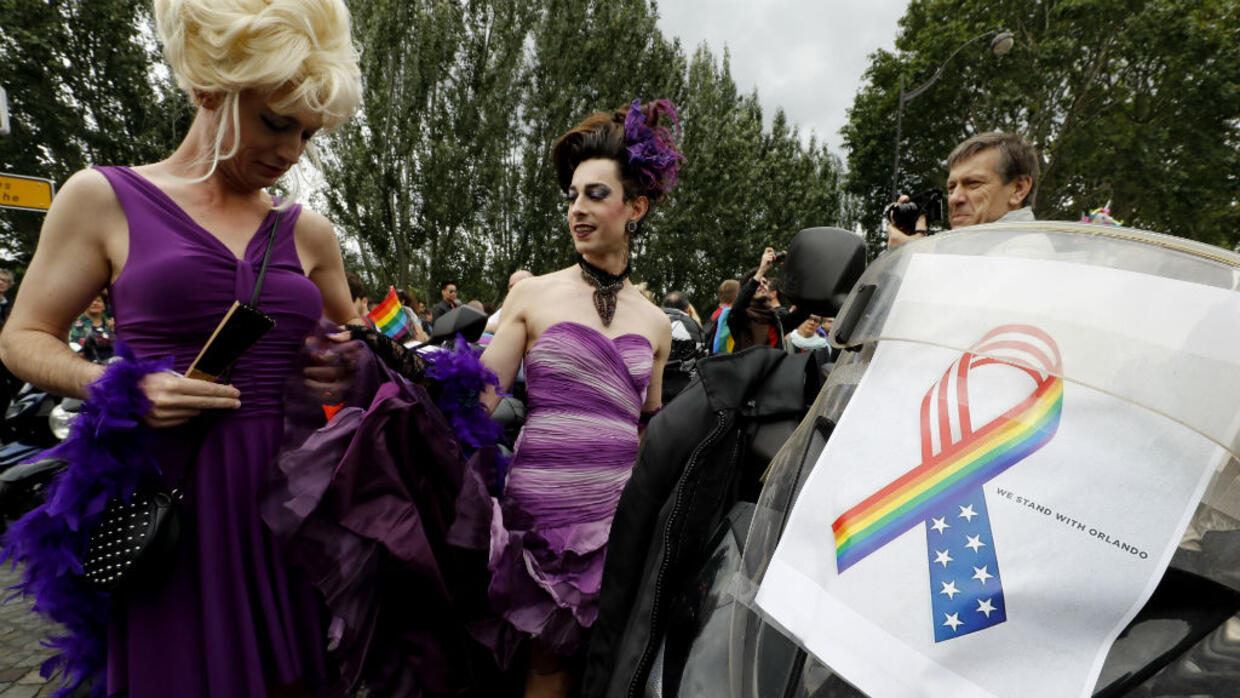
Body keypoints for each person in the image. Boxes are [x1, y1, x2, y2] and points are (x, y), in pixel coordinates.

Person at [0, 1, 361, 695]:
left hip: (289, 505)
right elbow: (21, 338)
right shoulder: (103, 197)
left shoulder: (307, 231)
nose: (290, 153)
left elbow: (351, 352)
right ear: (207, 90)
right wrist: (115, 385)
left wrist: (337, 368)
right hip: (171, 503)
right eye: (276, 121)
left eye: (309, 134)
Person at [479, 98, 680, 697]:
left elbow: (650, 431)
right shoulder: (533, 297)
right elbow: (474, 407)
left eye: (595, 194)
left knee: (608, 666)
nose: (577, 210)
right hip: (542, 521)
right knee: (548, 667)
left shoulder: (658, 324)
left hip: (616, 522)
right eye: (571, 196)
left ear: (635, 207)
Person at [887, 131, 1038, 249]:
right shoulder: (963, 253)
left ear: (1019, 189)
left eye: (973, 183)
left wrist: (916, 259)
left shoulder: (1029, 252)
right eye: (951, 188)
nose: (954, 199)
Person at [485, 268, 533, 334]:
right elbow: (485, 326)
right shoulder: (506, 309)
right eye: (511, 286)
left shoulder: (540, 309)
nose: (514, 289)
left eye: (519, 284)